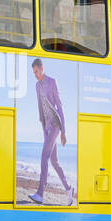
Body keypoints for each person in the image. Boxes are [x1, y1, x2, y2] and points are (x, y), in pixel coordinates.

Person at [27, 58, 74, 204]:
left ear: (42, 68)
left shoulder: (52, 82)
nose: (35, 74)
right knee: (54, 161)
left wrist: (63, 131)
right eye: (33, 72)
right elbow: (40, 107)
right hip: (46, 127)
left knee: (44, 156)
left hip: (55, 124)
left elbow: (59, 106)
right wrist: (43, 128)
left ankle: (40, 193)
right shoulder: (36, 86)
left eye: (36, 71)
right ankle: (68, 188)